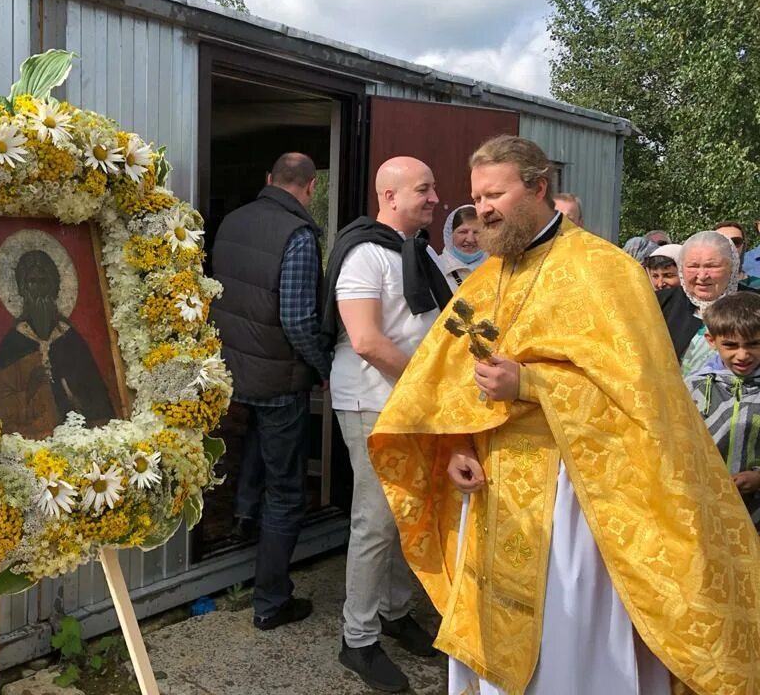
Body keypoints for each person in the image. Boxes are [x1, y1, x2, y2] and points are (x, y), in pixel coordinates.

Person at [368, 135, 760, 695]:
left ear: (538, 188)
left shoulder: (606, 271)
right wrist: (455, 445)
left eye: (495, 195)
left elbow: (640, 398)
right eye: (477, 197)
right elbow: (445, 379)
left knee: (568, 635)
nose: (483, 209)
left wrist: (530, 382)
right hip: (494, 485)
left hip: (576, 491)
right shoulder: (486, 277)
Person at [322, 157, 451, 691]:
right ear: (390, 196)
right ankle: (357, 639)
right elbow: (367, 341)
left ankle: (395, 613)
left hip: (412, 402)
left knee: (408, 514)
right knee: (375, 520)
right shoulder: (364, 254)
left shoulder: (420, 252)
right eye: (424, 189)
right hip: (373, 401)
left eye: (433, 187)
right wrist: (429, 384)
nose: (435, 198)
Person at [210, 152, 330, 630]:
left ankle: (243, 517)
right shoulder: (298, 235)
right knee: (287, 490)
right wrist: (323, 364)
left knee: (257, 441)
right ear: (311, 187)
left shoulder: (232, 221)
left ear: (268, 179)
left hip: (235, 368)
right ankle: (271, 601)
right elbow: (298, 320)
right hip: (279, 378)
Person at [0, 249, 115, 438]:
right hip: (33, 439)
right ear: (22, 288)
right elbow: (1, 406)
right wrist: (29, 390)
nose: (38, 289)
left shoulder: (70, 338)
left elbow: (98, 397)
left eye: (43, 281)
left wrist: (79, 401)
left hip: (78, 436)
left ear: (54, 286)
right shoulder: (13, 343)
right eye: (31, 281)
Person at [685, 292, 760, 529]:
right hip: (704, 505)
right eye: (730, 345)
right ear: (711, 340)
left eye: (753, 344)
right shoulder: (693, 387)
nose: (742, 355)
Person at [656, 230, 759, 374]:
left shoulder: (755, 303)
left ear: (732, 267)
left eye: (712, 266)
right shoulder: (660, 303)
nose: (702, 276)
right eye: (693, 266)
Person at [439, 205, 486, 283]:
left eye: (476, 232)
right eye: (463, 232)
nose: (470, 239)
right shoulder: (436, 267)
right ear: (450, 234)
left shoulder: (497, 267)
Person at [714, 220, 760, 289]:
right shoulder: (699, 283)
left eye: (736, 241)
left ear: (743, 246)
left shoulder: (756, 284)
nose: (729, 245)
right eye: (721, 241)